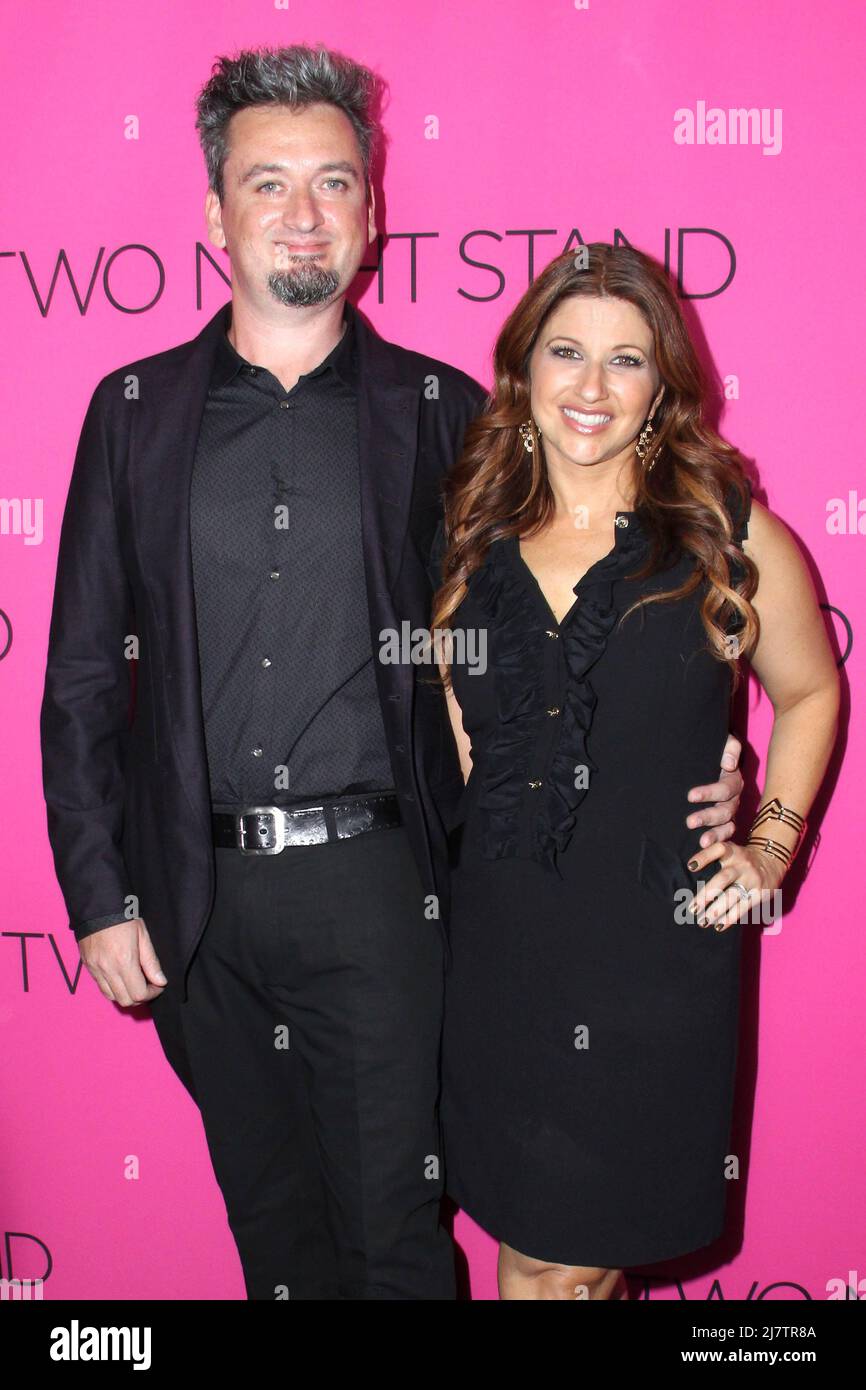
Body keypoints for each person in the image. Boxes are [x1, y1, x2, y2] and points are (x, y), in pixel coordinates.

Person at [39, 45, 744, 1301]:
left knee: (396, 1242)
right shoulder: (130, 409)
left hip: (384, 892)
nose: (301, 213)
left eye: (332, 183)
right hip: (194, 901)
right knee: (275, 1238)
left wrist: (698, 750)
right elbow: (87, 674)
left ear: (372, 215)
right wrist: (100, 894)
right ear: (214, 211)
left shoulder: (439, 414)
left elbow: (561, 610)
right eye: (268, 184)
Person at [428, 243, 840, 1301]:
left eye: (625, 360)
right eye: (566, 351)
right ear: (521, 371)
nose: (591, 386)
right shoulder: (468, 547)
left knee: (560, 1263)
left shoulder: (723, 538)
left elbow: (809, 692)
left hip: (649, 967)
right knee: (540, 1249)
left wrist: (769, 841)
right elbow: (477, 758)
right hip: (501, 963)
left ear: (663, 384)